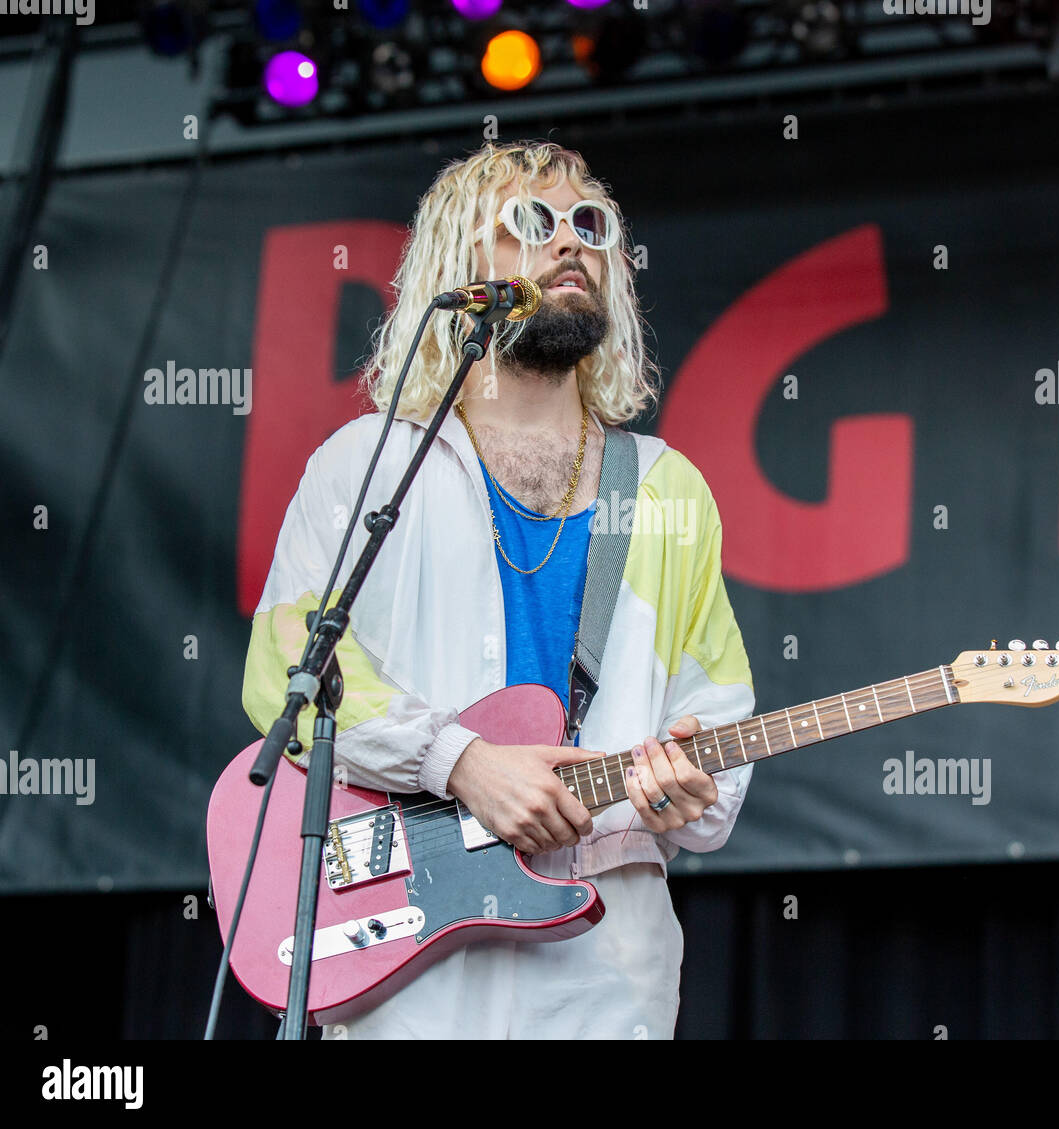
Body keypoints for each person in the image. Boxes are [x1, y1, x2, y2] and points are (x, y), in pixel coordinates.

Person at [242, 140, 755, 1038]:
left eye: (589, 225)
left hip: (603, 963)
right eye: (531, 222)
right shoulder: (366, 465)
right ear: (458, 266)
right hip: (405, 951)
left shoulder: (669, 488)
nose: (570, 244)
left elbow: (716, 711)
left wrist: (694, 786)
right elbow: (285, 668)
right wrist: (459, 761)